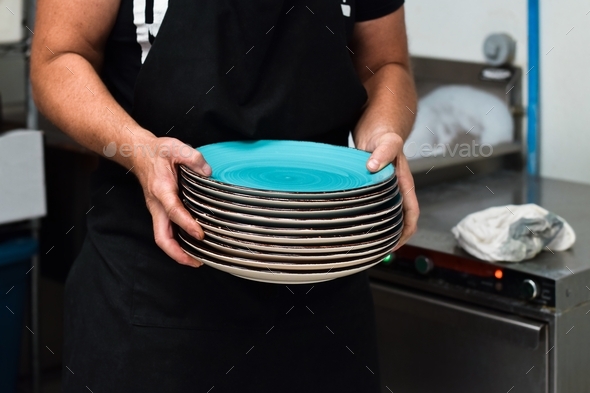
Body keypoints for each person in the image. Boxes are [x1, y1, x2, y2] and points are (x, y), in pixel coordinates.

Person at [31, 0, 418, 391]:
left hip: (325, 284)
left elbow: (386, 64)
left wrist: (384, 131)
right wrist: (137, 148)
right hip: (153, 297)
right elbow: (58, 57)